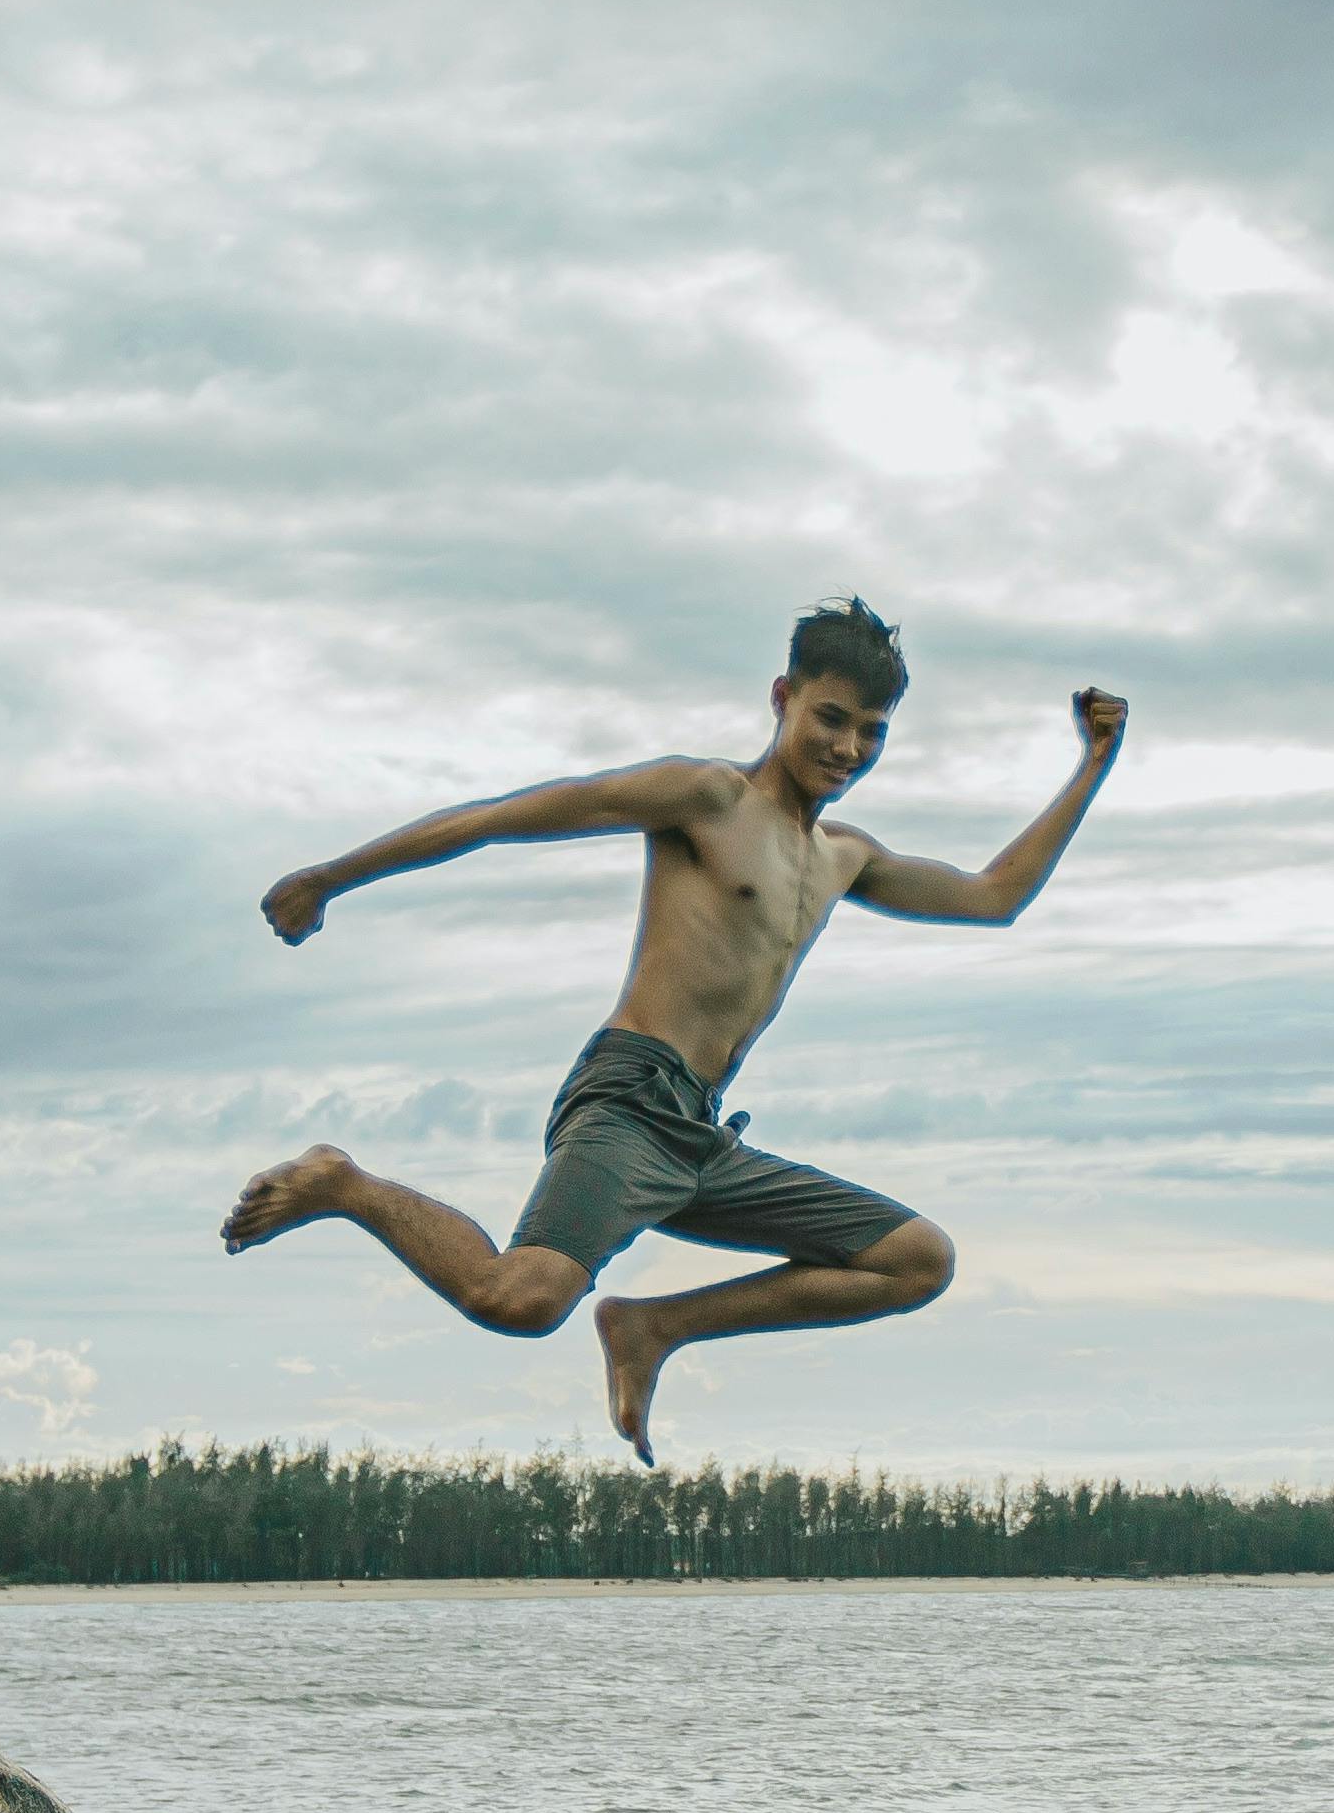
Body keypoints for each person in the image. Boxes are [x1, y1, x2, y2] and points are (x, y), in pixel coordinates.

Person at [223, 598, 1130, 1463]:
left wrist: (1093, 764)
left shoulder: (845, 857)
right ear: (783, 700)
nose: (848, 747)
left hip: (701, 1131)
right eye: (831, 718)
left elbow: (994, 896)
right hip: (629, 1098)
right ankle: (342, 1182)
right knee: (520, 1300)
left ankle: (654, 1326)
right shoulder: (705, 799)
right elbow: (501, 819)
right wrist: (330, 878)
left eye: (871, 732)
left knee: (916, 1260)